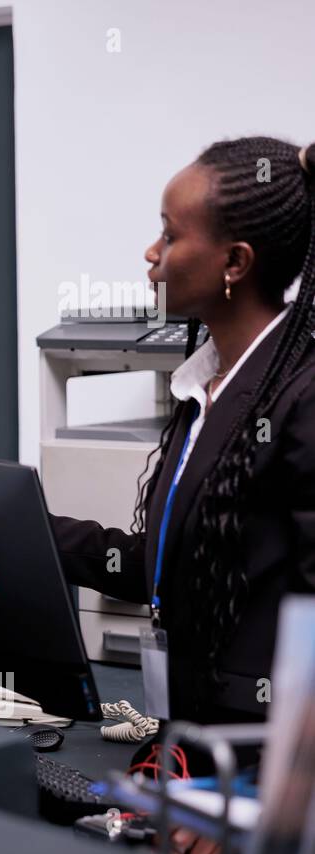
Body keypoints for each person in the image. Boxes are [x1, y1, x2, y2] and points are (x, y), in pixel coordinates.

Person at [51, 136, 315, 727]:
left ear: (235, 262)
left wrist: (266, 797)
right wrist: (24, 530)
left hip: (252, 764)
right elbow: (168, 566)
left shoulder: (303, 400)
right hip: (191, 746)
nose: (152, 253)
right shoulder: (206, 386)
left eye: (170, 236)